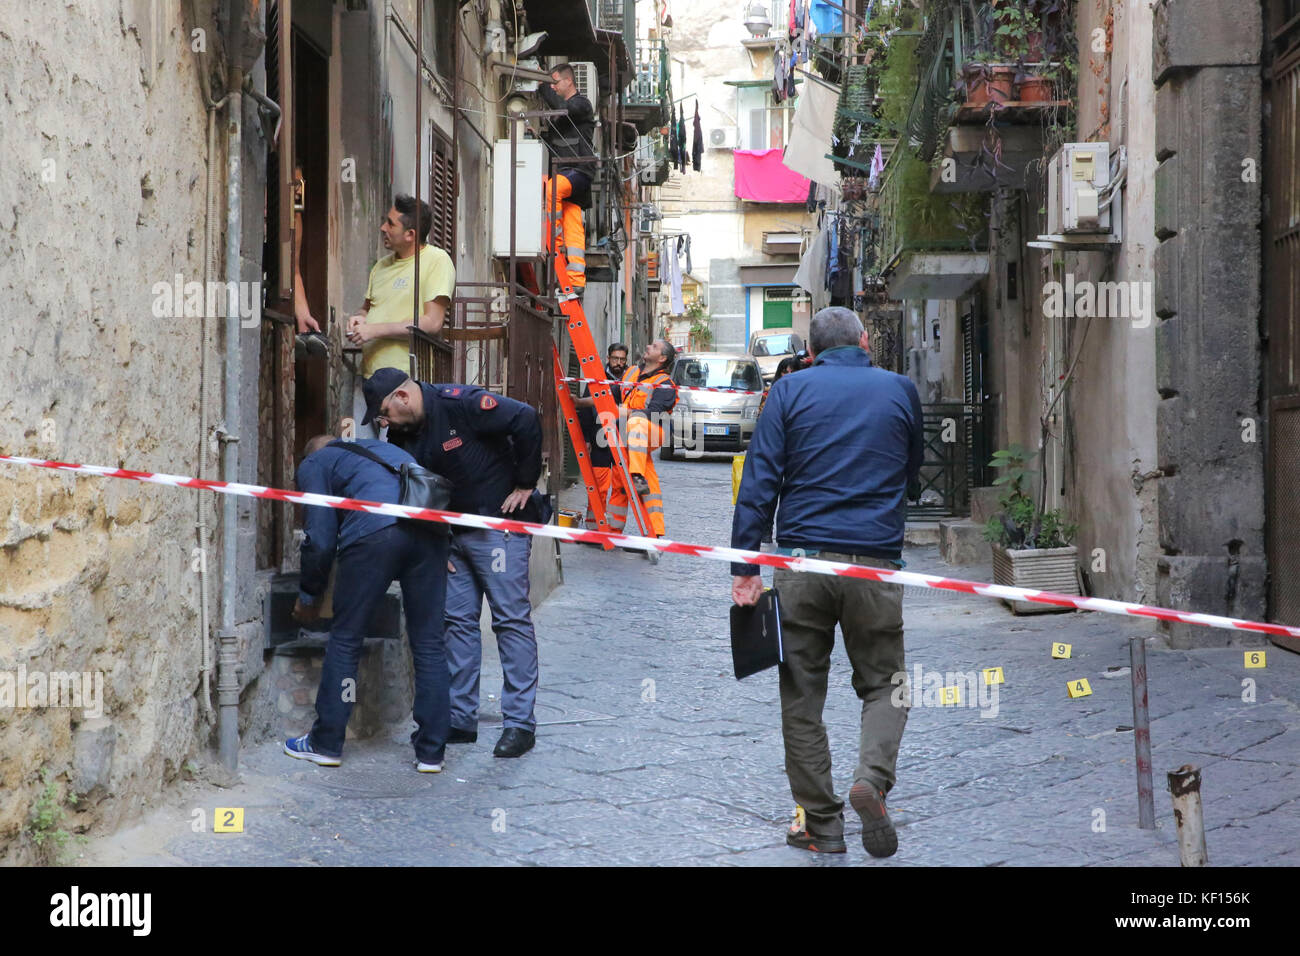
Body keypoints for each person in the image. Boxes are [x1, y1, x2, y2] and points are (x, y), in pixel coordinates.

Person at [730, 307, 924, 857]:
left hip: (802, 565)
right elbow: (912, 472)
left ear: (811, 352)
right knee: (888, 683)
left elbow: (759, 481)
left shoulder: (789, 393)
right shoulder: (900, 390)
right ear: (865, 341)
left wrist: (745, 568)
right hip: (875, 564)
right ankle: (873, 780)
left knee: (802, 692)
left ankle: (822, 823)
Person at [360, 367, 546, 758]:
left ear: (403, 398)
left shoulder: (462, 404)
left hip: (498, 527)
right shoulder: (401, 433)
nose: (383, 423)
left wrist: (526, 484)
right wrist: (431, 542)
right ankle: (461, 718)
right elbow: (410, 490)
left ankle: (519, 724)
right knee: (457, 623)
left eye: (383, 414)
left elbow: (527, 418)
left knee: (510, 620)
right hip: (449, 538)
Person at [286, 433, 451, 772]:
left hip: (375, 532)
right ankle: (431, 752)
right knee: (430, 643)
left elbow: (319, 536)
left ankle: (326, 743)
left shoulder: (315, 462)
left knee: (346, 638)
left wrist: (308, 595)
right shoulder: (381, 450)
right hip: (431, 533)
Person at [346, 195, 455, 431]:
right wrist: (360, 319)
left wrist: (373, 330)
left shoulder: (436, 261)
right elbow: (367, 308)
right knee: (364, 455)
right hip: (368, 377)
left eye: (390, 223)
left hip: (404, 383)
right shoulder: (381, 266)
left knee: (395, 459)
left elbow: (432, 322)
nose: (382, 227)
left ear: (410, 235)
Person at [606, 339, 677, 537]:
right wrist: (581, 402)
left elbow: (653, 413)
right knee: (620, 478)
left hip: (653, 431)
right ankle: (617, 531)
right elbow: (610, 395)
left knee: (637, 423)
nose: (647, 346)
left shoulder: (665, 384)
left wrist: (625, 412)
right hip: (629, 435)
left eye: (653, 346)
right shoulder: (631, 373)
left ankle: (637, 475)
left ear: (662, 358)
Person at [539, 64, 595, 295]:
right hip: (568, 173)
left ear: (568, 81)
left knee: (552, 190)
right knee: (573, 224)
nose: (554, 86)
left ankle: (556, 245)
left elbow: (563, 107)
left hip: (579, 171)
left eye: (556, 82)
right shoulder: (564, 115)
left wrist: (542, 86)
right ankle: (576, 280)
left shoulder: (581, 104)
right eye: (551, 83)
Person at [575, 342, 629, 530]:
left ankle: (614, 528)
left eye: (622, 359)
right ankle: (594, 526)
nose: (619, 363)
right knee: (598, 485)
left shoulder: (630, 379)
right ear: (608, 358)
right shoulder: (597, 378)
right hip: (600, 438)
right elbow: (586, 412)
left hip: (623, 439)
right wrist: (587, 438)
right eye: (615, 358)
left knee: (620, 484)